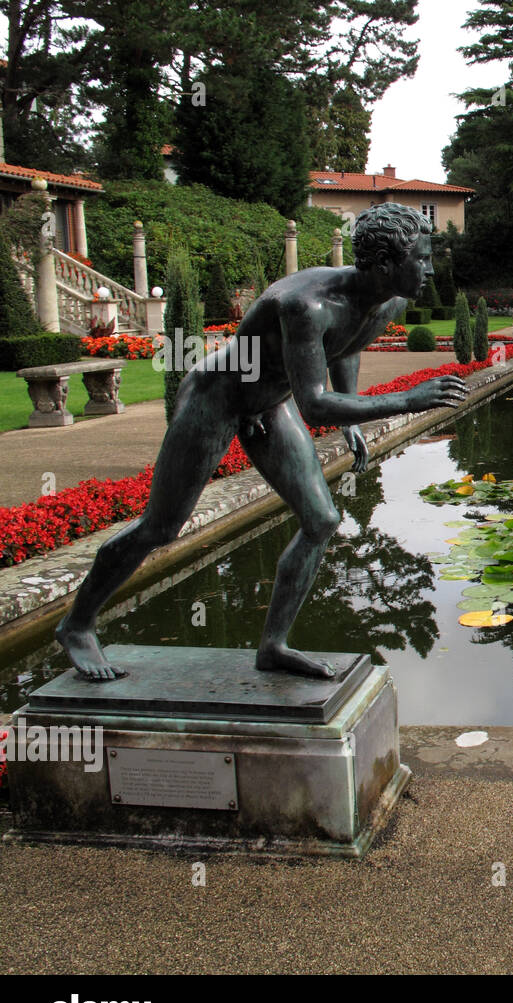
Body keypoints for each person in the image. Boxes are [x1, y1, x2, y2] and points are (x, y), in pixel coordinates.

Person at [57, 202, 467, 682]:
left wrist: (351, 417)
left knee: (321, 520)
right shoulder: (305, 305)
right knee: (161, 527)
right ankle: (76, 626)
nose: (430, 270)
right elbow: (315, 406)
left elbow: (345, 347)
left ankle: (273, 646)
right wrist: (407, 400)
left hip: (270, 403)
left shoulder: (389, 300)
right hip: (219, 395)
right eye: (421, 259)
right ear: (383, 264)